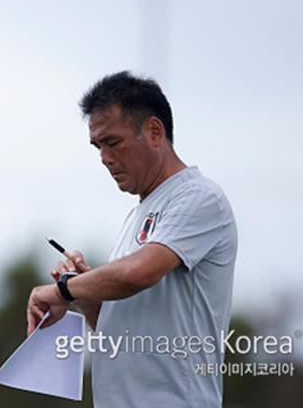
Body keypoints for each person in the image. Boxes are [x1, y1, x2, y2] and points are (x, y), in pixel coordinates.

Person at [26, 71, 237, 407]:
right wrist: (83, 295)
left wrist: (63, 289)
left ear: (154, 131)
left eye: (112, 142)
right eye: (98, 147)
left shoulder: (198, 196)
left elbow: (138, 274)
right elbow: (120, 332)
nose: (105, 159)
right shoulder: (139, 216)